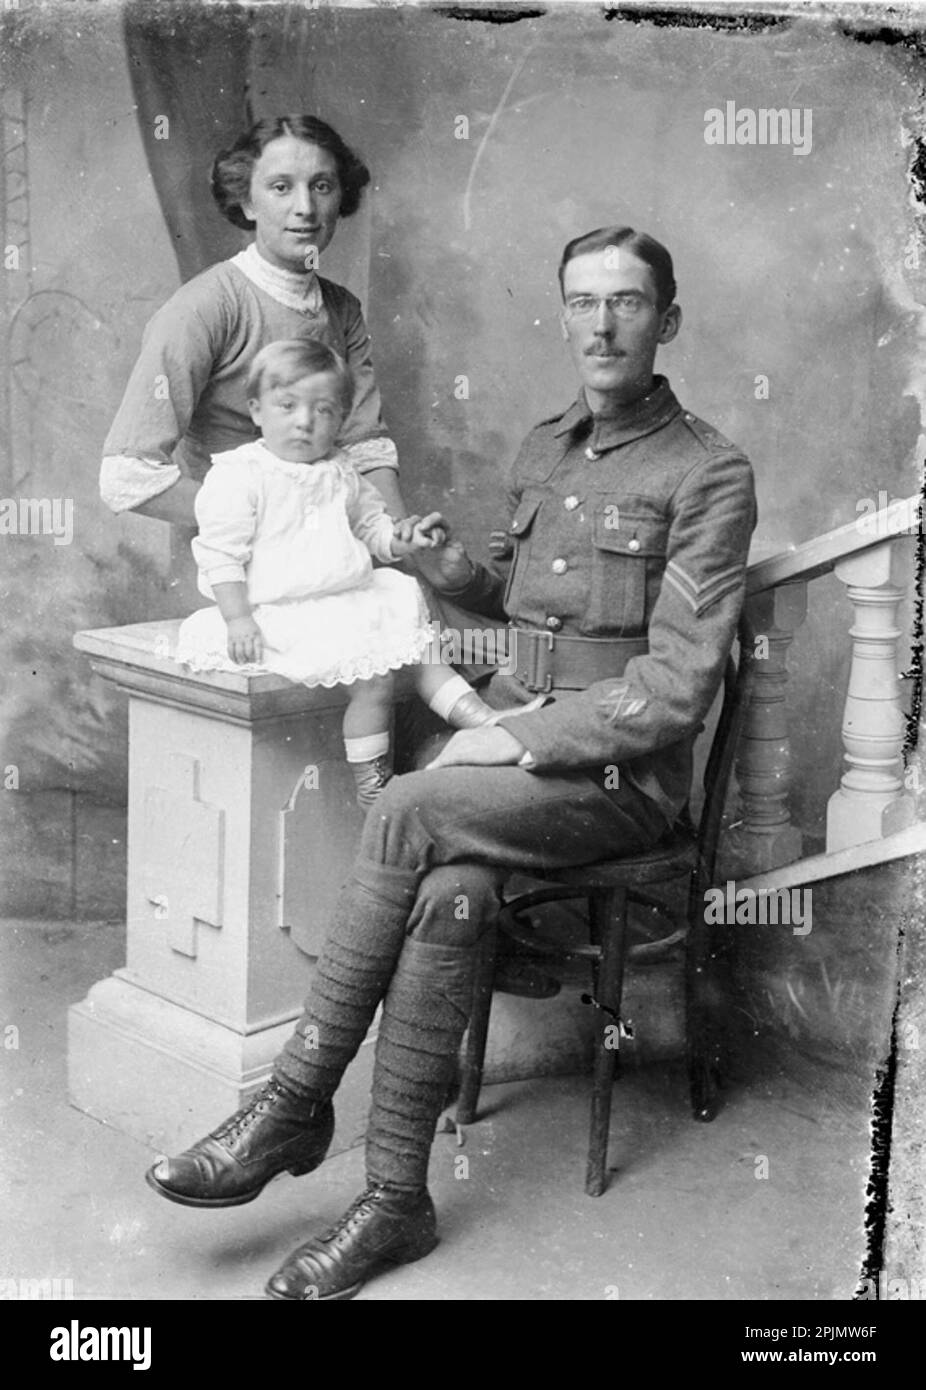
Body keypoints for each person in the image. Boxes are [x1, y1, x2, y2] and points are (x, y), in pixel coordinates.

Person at [145, 225, 758, 1302]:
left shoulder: (707, 472)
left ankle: (295, 1099)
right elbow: (505, 596)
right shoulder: (545, 446)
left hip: (620, 785)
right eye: (581, 301)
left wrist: (510, 734)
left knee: (409, 812)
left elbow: (671, 692)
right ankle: (394, 1202)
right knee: (450, 895)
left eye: (625, 302)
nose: (601, 323)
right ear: (563, 314)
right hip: (517, 771)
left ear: (665, 322)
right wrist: (446, 566)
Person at [176, 338, 542, 804]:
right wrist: (238, 618)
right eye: (287, 405)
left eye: (324, 411)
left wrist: (400, 540)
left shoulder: (340, 470)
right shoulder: (241, 475)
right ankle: (373, 785)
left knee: (422, 643)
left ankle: (482, 721)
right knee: (374, 681)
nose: (304, 422)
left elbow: (372, 527)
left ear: (342, 418)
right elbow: (220, 554)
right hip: (280, 611)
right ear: (256, 410)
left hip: (343, 597)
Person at [100, 114, 406, 525]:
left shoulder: (342, 308)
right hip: (232, 562)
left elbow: (364, 448)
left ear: (340, 197)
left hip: (330, 552)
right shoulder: (204, 307)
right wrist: (267, 517)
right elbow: (125, 476)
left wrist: (406, 543)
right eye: (281, 187)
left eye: (321, 186)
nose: (305, 208)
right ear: (247, 201)